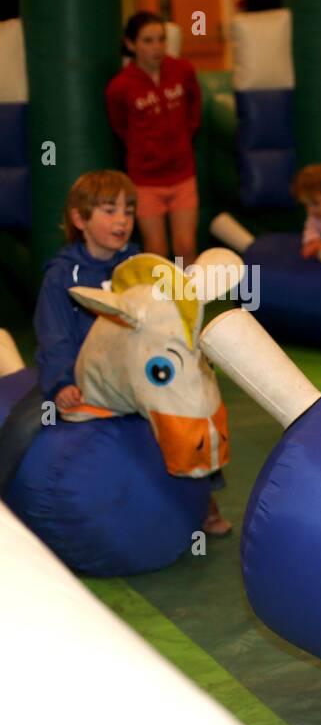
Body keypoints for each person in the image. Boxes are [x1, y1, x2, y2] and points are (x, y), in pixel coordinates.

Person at [0, 170, 229, 535]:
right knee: (24, 423)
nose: (122, 220)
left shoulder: (139, 266)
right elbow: (53, 336)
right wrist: (61, 383)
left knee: (188, 409)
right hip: (79, 374)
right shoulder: (62, 275)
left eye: (128, 210)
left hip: (132, 378)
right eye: (109, 211)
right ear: (80, 219)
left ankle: (205, 499)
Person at [106, 11, 203, 268]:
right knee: (157, 251)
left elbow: (194, 108)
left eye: (161, 39)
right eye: (148, 41)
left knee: (185, 247)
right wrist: (146, 147)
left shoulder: (182, 70)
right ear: (131, 44)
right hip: (146, 179)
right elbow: (120, 126)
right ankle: (161, 306)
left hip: (182, 174)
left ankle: (190, 303)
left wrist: (182, 137)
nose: (157, 47)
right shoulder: (120, 86)